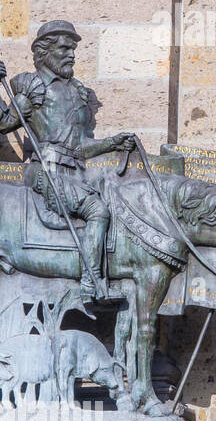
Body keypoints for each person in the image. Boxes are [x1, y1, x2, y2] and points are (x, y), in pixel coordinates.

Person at [0, 20, 134, 303]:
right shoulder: (32, 86)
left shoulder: (78, 92)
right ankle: (91, 285)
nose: (71, 54)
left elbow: (80, 147)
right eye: (64, 48)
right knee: (98, 211)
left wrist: (114, 142)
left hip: (75, 171)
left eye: (73, 49)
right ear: (44, 52)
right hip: (45, 171)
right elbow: (4, 123)